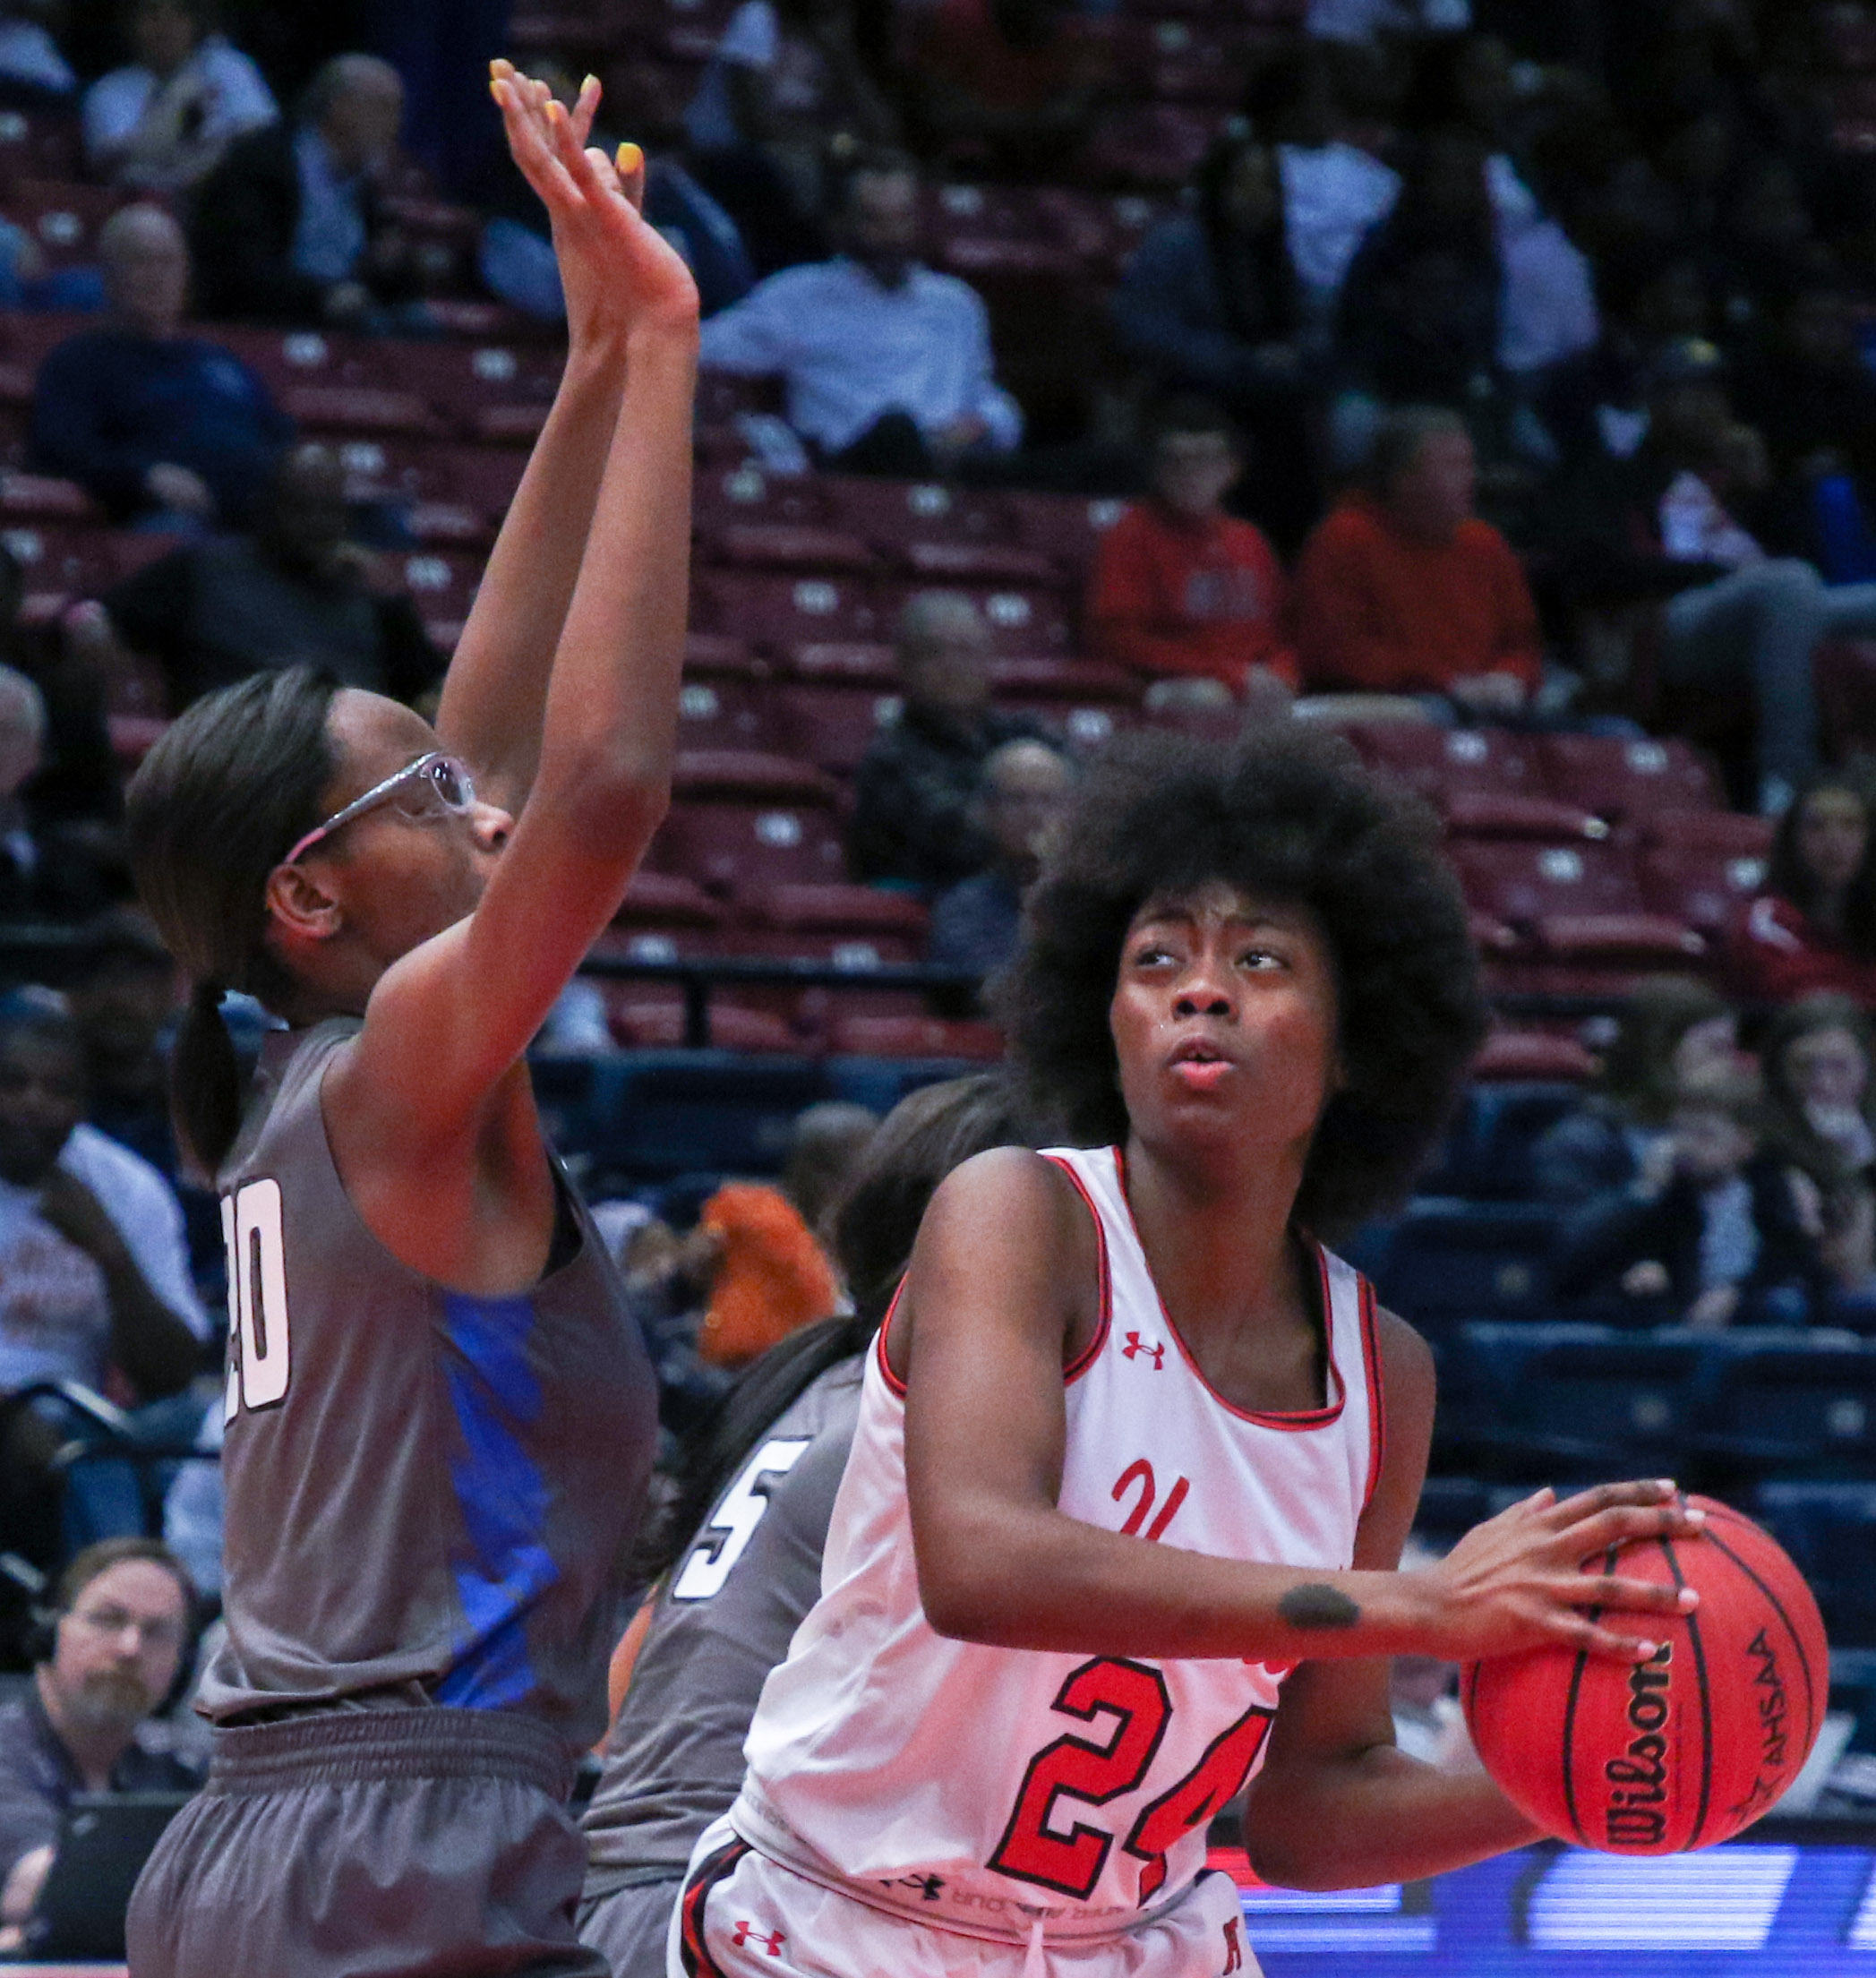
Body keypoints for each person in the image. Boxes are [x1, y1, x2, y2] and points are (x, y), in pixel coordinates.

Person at [671, 724, 1704, 1978]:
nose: (1196, 988)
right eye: (1155, 957)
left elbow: (1309, 1808)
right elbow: (981, 1563)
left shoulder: (1381, 1374)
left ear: (1356, 1042)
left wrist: (1596, 1779)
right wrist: (1415, 1606)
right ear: (1101, 1016)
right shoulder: (1017, 1214)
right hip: (838, 1922)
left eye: (1257, 959)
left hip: (1134, 1941)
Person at [120, 66, 698, 1976]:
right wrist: (677, 358)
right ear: (310, 899)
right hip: (412, 1845)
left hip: (274, 1845)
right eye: (434, 815)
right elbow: (599, 786)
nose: (483, 810)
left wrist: (595, 354)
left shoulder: (310, 1080)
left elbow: (501, 742)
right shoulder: (390, 1077)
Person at [578, 1074, 1032, 1976]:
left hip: (634, 1898)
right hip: (729, 1910)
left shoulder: (813, 1385)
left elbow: (625, 1697)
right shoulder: (922, 1423)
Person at [0, 997, 210, 1563]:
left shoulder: (123, 1187)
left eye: (59, 1089)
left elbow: (169, 1374)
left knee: (210, 1426)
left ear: (83, 1101)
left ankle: (136, 1604)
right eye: (13, 1083)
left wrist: (111, 1255)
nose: (33, 1105)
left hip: (84, 1425)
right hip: (25, 1420)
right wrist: (12, 1415)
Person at [698, 150, 1023, 476]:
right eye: (874, 220)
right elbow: (703, 347)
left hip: (954, 467)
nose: (892, 235)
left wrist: (982, 425)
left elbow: (986, 398)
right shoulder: (799, 296)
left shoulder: (956, 303)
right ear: (842, 224)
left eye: (902, 219)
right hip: (852, 468)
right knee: (897, 432)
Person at [70, 442, 443, 713]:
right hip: (236, 763)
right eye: (300, 507)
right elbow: (91, 618)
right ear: (265, 507)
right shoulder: (202, 571)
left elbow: (429, 687)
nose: (316, 524)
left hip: (352, 769)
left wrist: (396, 605)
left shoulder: (370, 593)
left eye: (329, 510)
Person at [1110, 130, 1316, 552]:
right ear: (1218, 185)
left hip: (1269, 395)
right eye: (1243, 182)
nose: (1255, 196)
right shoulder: (1176, 244)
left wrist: (1292, 358)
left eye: (1266, 186)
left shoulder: (1279, 256)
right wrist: (1238, 361)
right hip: (1192, 392)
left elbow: (1312, 327)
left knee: (1297, 445)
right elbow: (1142, 328)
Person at [30, 205, 294, 532]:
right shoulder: (79, 362)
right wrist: (144, 476)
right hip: (165, 522)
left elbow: (281, 437)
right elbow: (62, 450)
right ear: (110, 276)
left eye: (168, 262)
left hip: (260, 519)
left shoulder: (222, 361)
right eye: (141, 261)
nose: (157, 276)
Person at [0, 1540, 199, 1950]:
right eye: (107, 1620)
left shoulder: (185, 1767)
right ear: (51, 1631)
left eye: (158, 1632)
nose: (130, 1648)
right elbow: (38, 1886)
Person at [1292, 406, 1542, 715]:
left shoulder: (1485, 544)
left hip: (1484, 704)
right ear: (1402, 477)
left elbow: (1521, 644)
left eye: (1469, 464)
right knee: (1434, 713)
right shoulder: (1344, 539)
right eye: (1454, 466)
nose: (1471, 478)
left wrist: (1511, 677)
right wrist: (1448, 683)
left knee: (1607, 731)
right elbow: (1338, 653)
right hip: (1391, 707)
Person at [1553, 1061, 1829, 1330]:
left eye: (1704, 1135)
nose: (1686, 1146)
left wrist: (1736, 1294)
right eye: (1680, 1131)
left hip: (1752, 1316)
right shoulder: (1667, 1197)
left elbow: (1791, 1260)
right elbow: (1600, 1254)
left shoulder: (1773, 1188)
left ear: (1745, 1144)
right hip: (1680, 1322)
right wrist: (1646, 1196)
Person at [186, 53, 421, 328]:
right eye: (383, 108)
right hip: (269, 322)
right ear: (339, 107)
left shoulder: (367, 186)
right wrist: (321, 297)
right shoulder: (260, 163)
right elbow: (240, 268)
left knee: (419, 323)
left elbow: (388, 283)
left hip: (344, 318)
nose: (394, 124)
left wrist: (389, 264)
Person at [1090, 398, 1298, 699]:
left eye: (1204, 458)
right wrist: (1225, 673)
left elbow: (1284, 633)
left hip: (1253, 682)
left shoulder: (1249, 539)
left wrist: (1283, 672)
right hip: (1172, 683)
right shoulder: (1131, 535)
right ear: (1156, 469)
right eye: (1175, 459)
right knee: (1205, 698)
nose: (1190, 471)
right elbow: (1119, 640)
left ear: (1232, 468)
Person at [849, 591, 1047, 891]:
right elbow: (958, 837)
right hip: (937, 907)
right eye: (934, 652)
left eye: (967, 651)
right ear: (905, 665)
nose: (953, 666)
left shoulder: (1026, 732)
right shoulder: (891, 756)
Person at [684, 0, 898, 275]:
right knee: (805, 171)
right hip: (730, 146)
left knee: (891, 165)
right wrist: (827, 143)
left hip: (806, 144)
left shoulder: (836, 31)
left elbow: (881, 128)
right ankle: (809, 269)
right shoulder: (759, 16)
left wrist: (841, 56)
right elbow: (754, 119)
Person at [1529, 974, 1738, 1204]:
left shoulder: (1742, 1138)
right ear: (1661, 1050)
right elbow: (1573, 1235)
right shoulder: (1580, 1144)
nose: (1729, 1065)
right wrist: (1645, 1194)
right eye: (1717, 1048)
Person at [82, 0, 278, 193]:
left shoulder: (225, 64)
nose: (166, 25)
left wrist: (204, 156)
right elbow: (120, 163)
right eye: (152, 12)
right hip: (151, 207)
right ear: (132, 22)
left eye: (180, 12)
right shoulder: (109, 90)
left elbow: (260, 134)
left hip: (229, 198)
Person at [1760, 994, 1876, 1308]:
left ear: (1866, 1067)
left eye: (1839, 1067)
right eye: (1804, 1067)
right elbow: (1843, 1268)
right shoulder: (1763, 1150)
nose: (1822, 1083)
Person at [904, 0, 1104, 180]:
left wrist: (985, 120)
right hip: (961, 159)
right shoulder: (959, 16)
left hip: (1041, 160)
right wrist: (1036, 121)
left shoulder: (1076, 33)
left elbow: (1073, 118)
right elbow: (939, 113)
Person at [927, 737, 1070, 978]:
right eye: (1017, 799)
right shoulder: (962, 909)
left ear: (1071, 812)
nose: (1034, 814)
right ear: (987, 812)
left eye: (1048, 800)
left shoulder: (1096, 904)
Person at [1732, 769, 1876, 1008]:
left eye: (1850, 825)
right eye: (1816, 826)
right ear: (1792, 838)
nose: (1834, 840)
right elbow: (1796, 992)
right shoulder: (1765, 919)